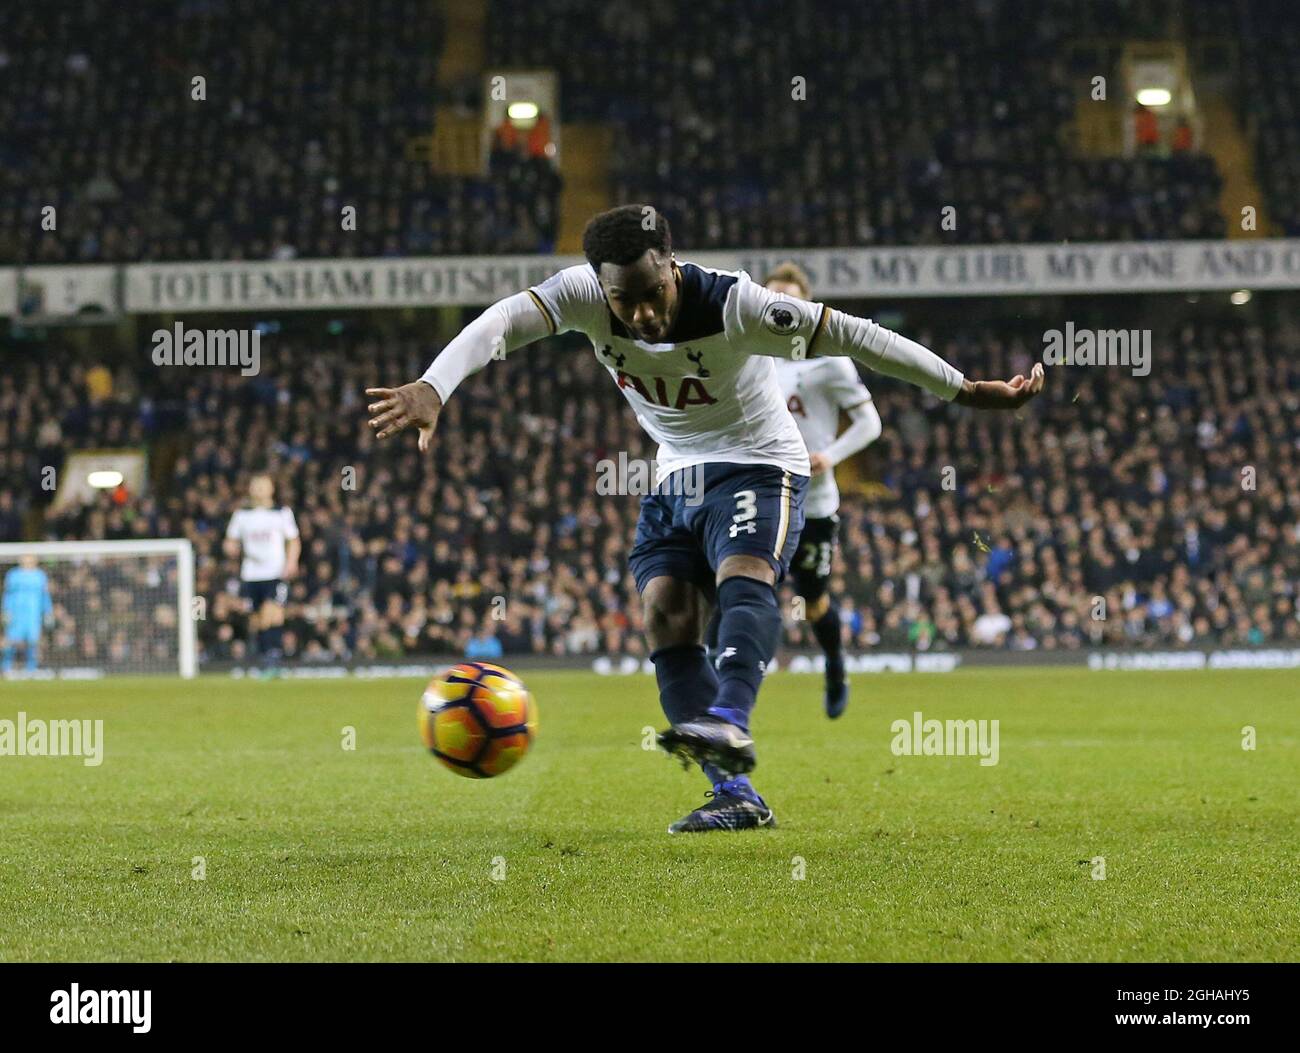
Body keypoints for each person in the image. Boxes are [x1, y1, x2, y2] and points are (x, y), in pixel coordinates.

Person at [366, 204, 1044, 833]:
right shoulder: (583, 295)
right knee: (664, 613)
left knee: (745, 573)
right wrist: (434, 383)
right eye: (622, 300)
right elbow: (501, 324)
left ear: (672, 262)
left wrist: (963, 388)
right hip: (676, 471)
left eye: (651, 292)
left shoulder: (737, 303)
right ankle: (735, 793)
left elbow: (856, 337)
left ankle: (730, 716)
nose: (641, 313)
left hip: (760, 461)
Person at [754, 261, 883, 717]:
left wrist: (830, 456)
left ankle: (834, 663)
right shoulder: (749, 354)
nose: (782, 307)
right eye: (774, 298)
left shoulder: (829, 360)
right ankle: (734, 680)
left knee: (812, 602)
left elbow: (871, 423)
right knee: (749, 584)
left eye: (792, 298)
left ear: (808, 306)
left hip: (816, 500)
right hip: (764, 492)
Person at [223, 474, 300, 676]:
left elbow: (293, 540)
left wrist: (291, 562)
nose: (258, 489)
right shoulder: (241, 515)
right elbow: (230, 540)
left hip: (275, 572)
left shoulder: (281, 513)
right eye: (255, 485)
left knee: (271, 613)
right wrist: (230, 547)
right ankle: (269, 657)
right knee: (258, 619)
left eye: (263, 485)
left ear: (271, 489)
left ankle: (271, 660)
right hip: (251, 574)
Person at [2, 554, 53, 673]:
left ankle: (31, 668)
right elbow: (7, 595)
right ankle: (6, 667)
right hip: (16, 614)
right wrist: (5, 611)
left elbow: (45, 595)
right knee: (11, 641)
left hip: (33, 614)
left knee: (33, 642)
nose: (27, 561)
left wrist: (48, 611)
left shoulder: (40, 575)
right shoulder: (13, 574)